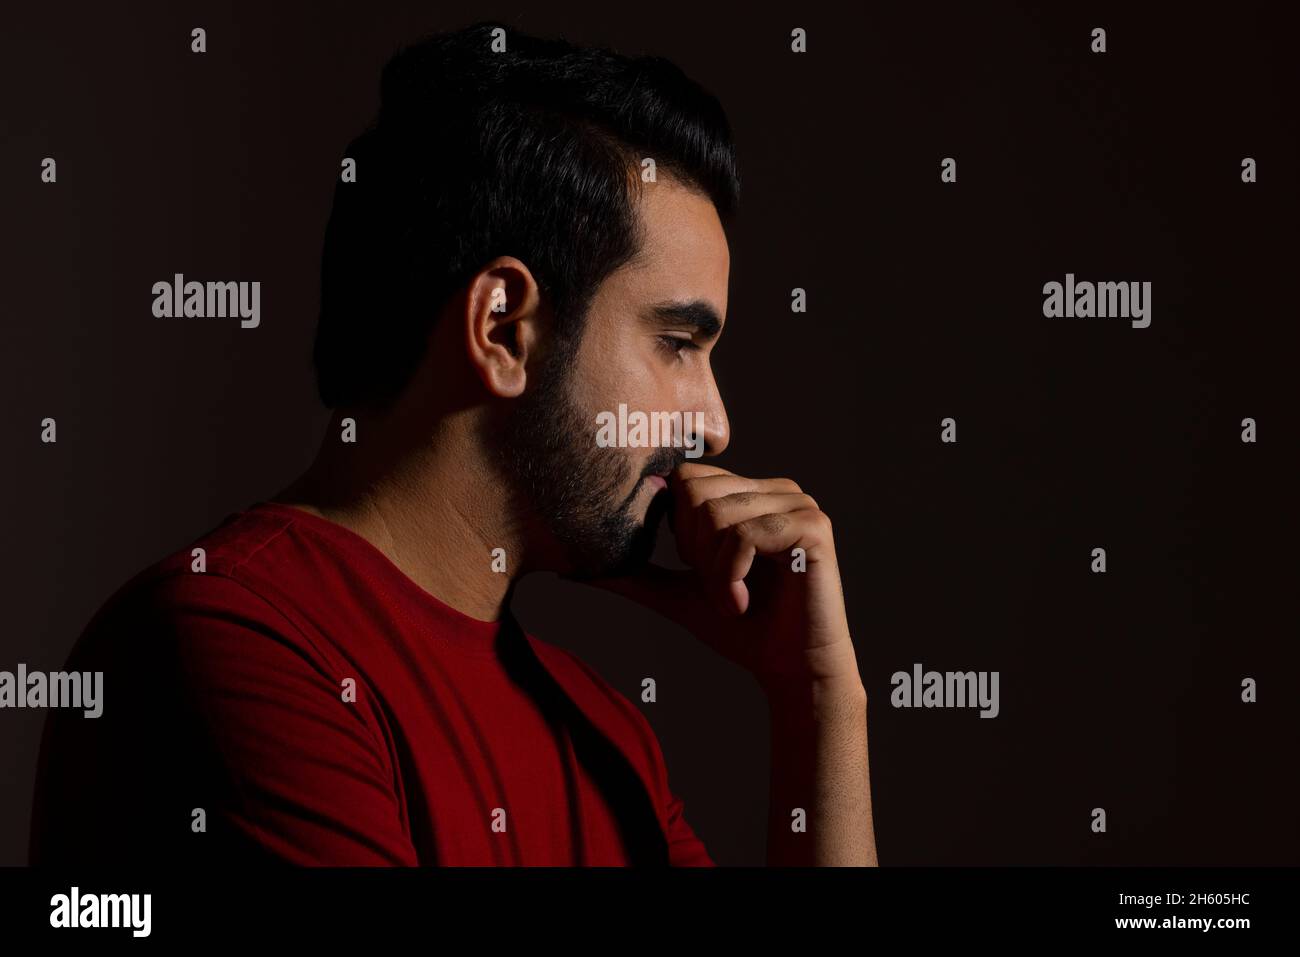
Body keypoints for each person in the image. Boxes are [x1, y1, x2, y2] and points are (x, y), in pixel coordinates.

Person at [29, 21, 876, 867]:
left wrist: (816, 705)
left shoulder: (610, 734)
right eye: (678, 343)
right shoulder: (231, 642)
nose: (715, 423)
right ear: (504, 327)